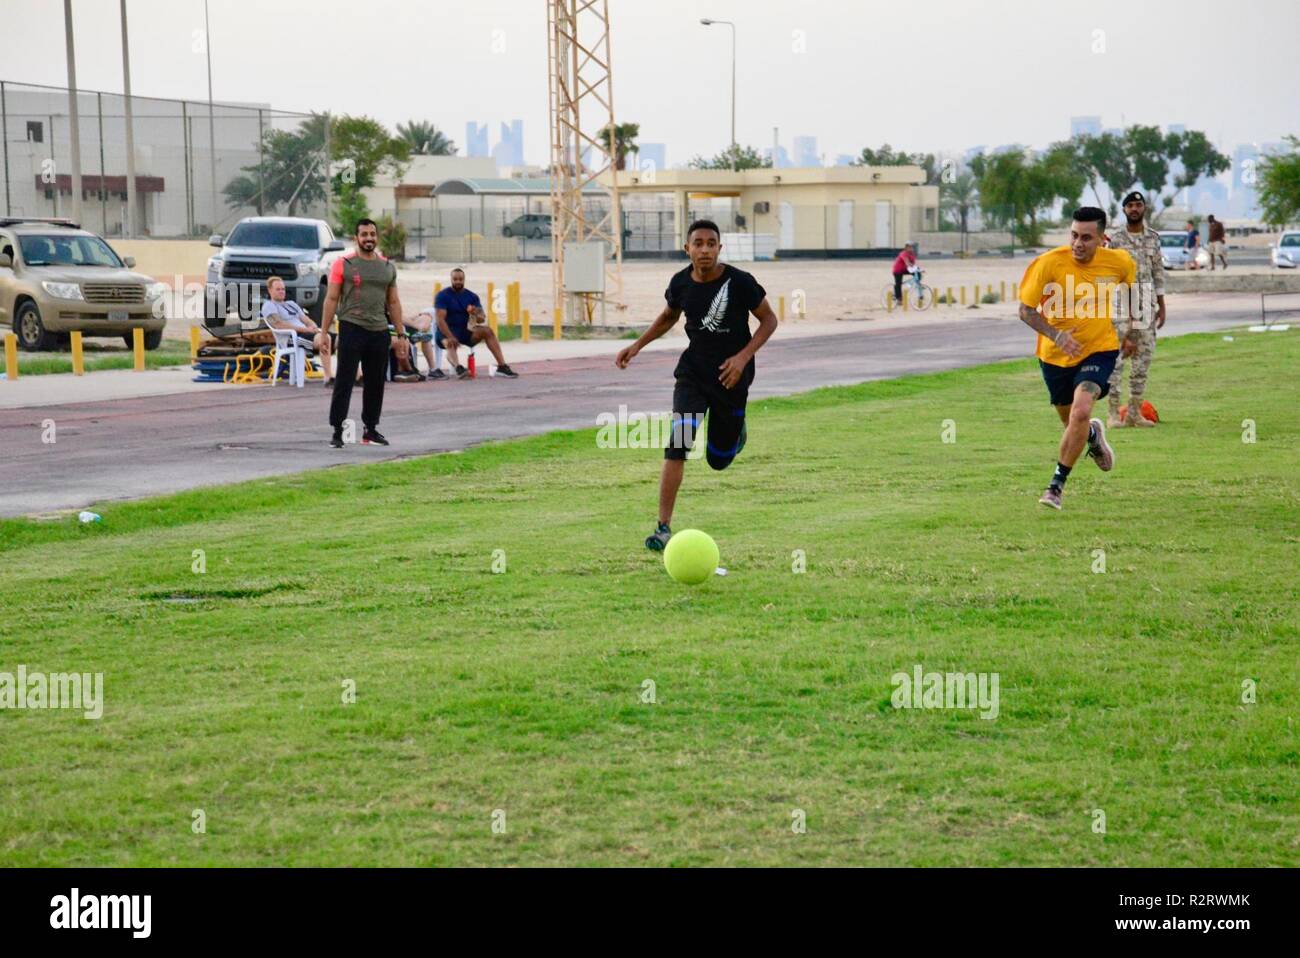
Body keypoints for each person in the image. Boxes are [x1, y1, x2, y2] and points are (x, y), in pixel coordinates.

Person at [615, 219, 779, 550]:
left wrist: (742, 358)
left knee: (718, 460)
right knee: (678, 442)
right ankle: (663, 527)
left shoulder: (741, 282)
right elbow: (668, 317)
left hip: (731, 378)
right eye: (698, 243)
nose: (704, 249)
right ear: (687, 248)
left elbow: (769, 319)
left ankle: (737, 429)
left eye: (711, 243)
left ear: (720, 248)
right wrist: (636, 345)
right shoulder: (680, 283)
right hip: (692, 374)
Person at [1017, 207, 1137, 510]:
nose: (1078, 243)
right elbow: (1025, 311)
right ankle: (1094, 436)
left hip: (1100, 349)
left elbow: (1133, 292)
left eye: (1086, 237)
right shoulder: (1048, 264)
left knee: (1080, 412)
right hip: (1054, 358)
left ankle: (1056, 486)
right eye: (1073, 235)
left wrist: (1132, 331)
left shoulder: (1119, 261)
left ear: (1102, 239)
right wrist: (1057, 335)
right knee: (1073, 423)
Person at [319, 219, 408, 447]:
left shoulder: (387, 267)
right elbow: (331, 299)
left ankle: (371, 429)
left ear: (376, 237)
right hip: (351, 328)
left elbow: (394, 302)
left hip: (379, 331)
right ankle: (337, 430)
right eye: (364, 234)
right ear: (355, 238)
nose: (369, 238)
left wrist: (401, 334)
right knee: (345, 381)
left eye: (372, 234)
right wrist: (324, 332)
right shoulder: (343, 264)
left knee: (376, 382)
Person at [1105, 191, 1165, 428]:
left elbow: (1157, 271)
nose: (1134, 209)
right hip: (1121, 310)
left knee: (1142, 362)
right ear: (1124, 210)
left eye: (1138, 205)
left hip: (1147, 308)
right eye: (1130, 205)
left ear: (1144, 208)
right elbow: (1110, 275)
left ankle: (1134, 413)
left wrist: (1162, 304)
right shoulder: (1117, 240)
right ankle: (1112, 414)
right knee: (1116, 363)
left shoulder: (1153, 238)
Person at [422, 268, 518, 379]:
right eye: (455, 279)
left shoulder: (472, 296)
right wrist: (450, 336)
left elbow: (481, 319)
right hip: (446, 332)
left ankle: (502, 366)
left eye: (460, 279)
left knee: (487, 331)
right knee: (450, 343)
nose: (458, 281)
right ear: (451, 279)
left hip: (466, 331)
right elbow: (440, 320)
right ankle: (458, 368)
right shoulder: (442, 296)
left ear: (464, 279)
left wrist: (476, 312)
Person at [260, 275, 333, 385]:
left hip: (305, 333)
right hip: (291, 338)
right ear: (270, 290)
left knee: (343, 339)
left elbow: (306, 320)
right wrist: (305, 330)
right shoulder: (268, 306)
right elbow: (279, 325)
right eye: (278, 289)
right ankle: (328, 377)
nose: (281, 291)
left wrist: (313, 327)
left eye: (283, 289)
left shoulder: (291, 304)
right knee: (325, 338)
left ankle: (355, 376)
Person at [891, 242, 918, 306]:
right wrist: (913, 266)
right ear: (906, 248)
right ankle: (899, 299)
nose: (911, 249)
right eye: (910, 247)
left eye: (912, 247)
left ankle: (917, 284)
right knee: (898, 284)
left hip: (905, 269)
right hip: (897, 270)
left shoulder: (912, 255)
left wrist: (918, 269)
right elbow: (907, 263)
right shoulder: (903, 253)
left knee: (917, 273)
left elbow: (913, 264)